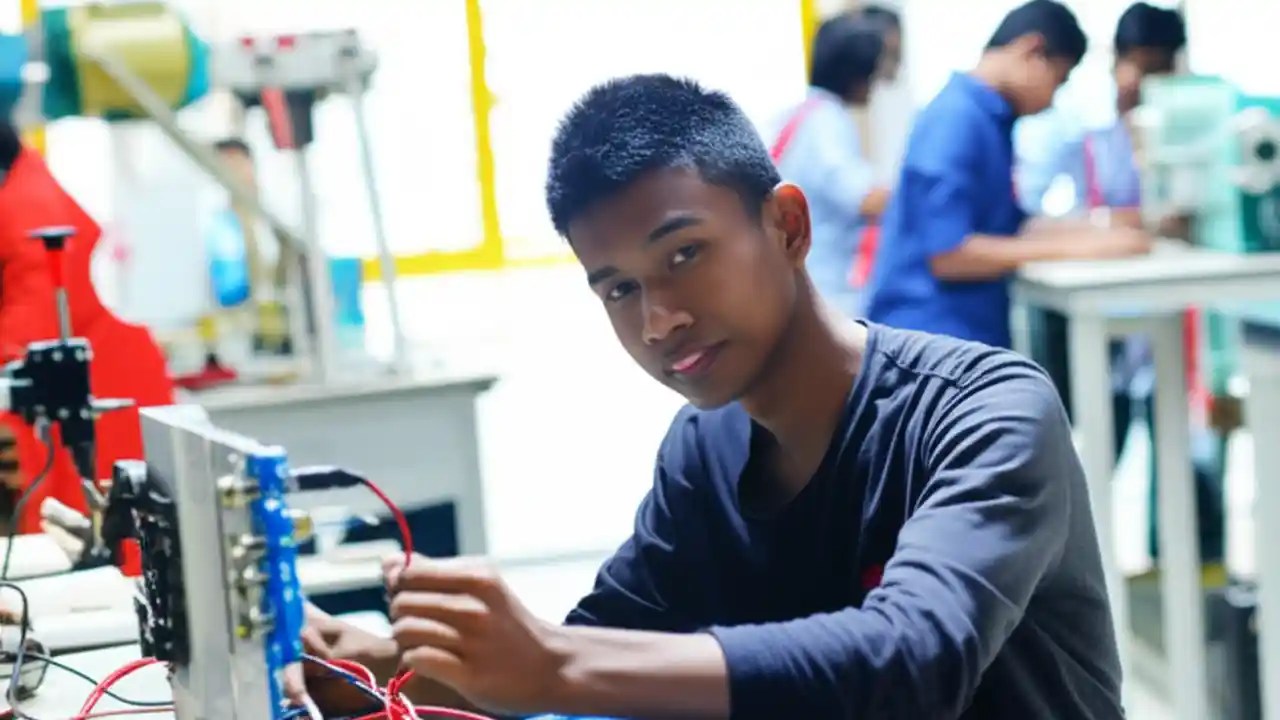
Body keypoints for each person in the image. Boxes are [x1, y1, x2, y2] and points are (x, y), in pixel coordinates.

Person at [306, 74, 1122, 719]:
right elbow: (601, 647)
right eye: (619, 289)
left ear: (788, 226)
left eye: (686, 254)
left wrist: (550, 666)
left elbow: (913, 660)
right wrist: (379, 671)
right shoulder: (705, 451)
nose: (659, 318)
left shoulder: (984, 413)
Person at [1016, 3, 1223, 564]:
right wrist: (1118, 225)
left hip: (1168, 329)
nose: (1140, 82)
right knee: (1087, 470)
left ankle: (1183, 580)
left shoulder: (1195, 134)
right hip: (1100, 330)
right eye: (1134, 65)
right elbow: (1027, 209)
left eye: (1157, 68)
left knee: (1184, 467)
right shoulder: (1080, 133)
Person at [864, 0, 1152, 350]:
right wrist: (1083, 247)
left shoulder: (991, 118)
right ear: (1033, 51)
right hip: (929, 342)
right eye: (1058, 81)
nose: (1051, 100)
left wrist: (1108, 225)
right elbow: (950, 255)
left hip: (962, 338)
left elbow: (1010, 226)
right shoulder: (955, 118)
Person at [769, 13, 890, 317]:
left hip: (796, 279)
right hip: (829, 287)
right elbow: (865, 198)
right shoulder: (827, 122)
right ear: (857, 74)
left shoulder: (796, 114)